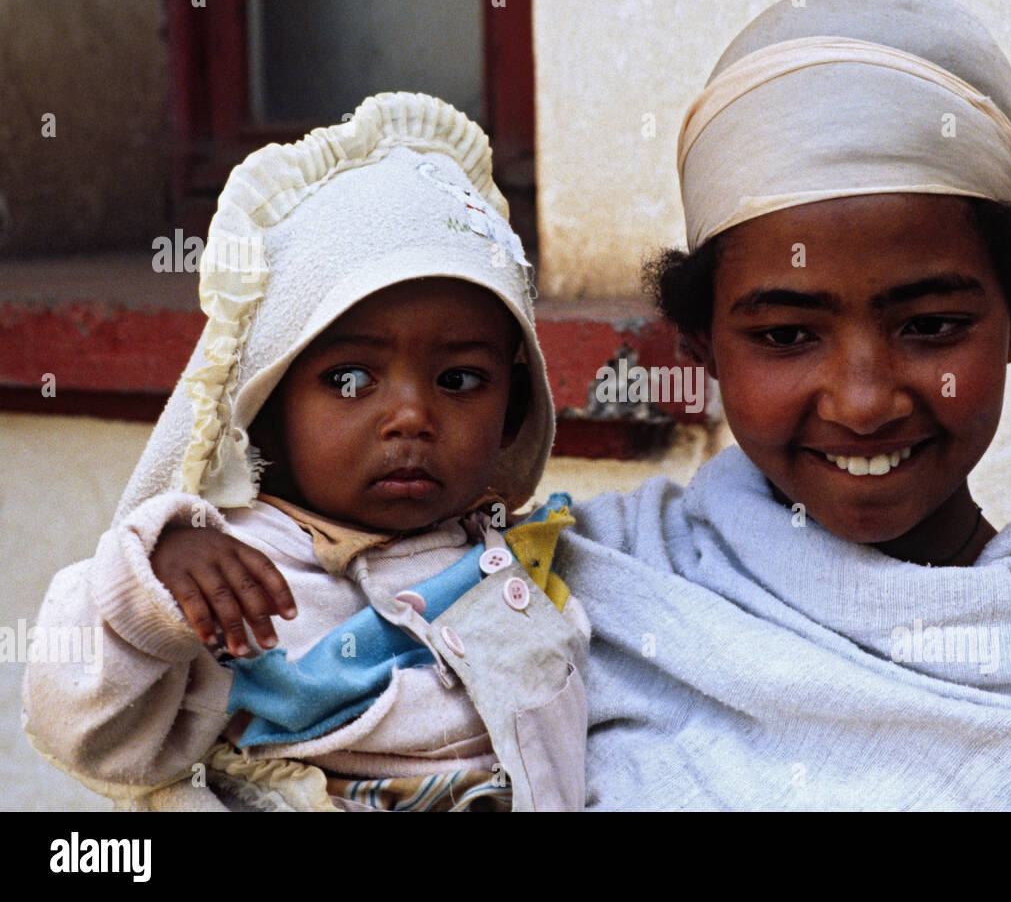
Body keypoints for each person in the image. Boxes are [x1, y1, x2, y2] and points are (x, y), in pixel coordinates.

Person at [556, 0, 1011, 810]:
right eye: (785, 335)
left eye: (929, 327)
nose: (861, 402)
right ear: (705, 347)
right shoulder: (591, 600)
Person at [22, 92, 588, 812]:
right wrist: (149, 586)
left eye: (460, 380)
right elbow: (87, 730)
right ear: (267, 411)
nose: (411, 414)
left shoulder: (527, 559)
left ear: (513, 410)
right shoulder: (231, 574)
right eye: (350, 379)